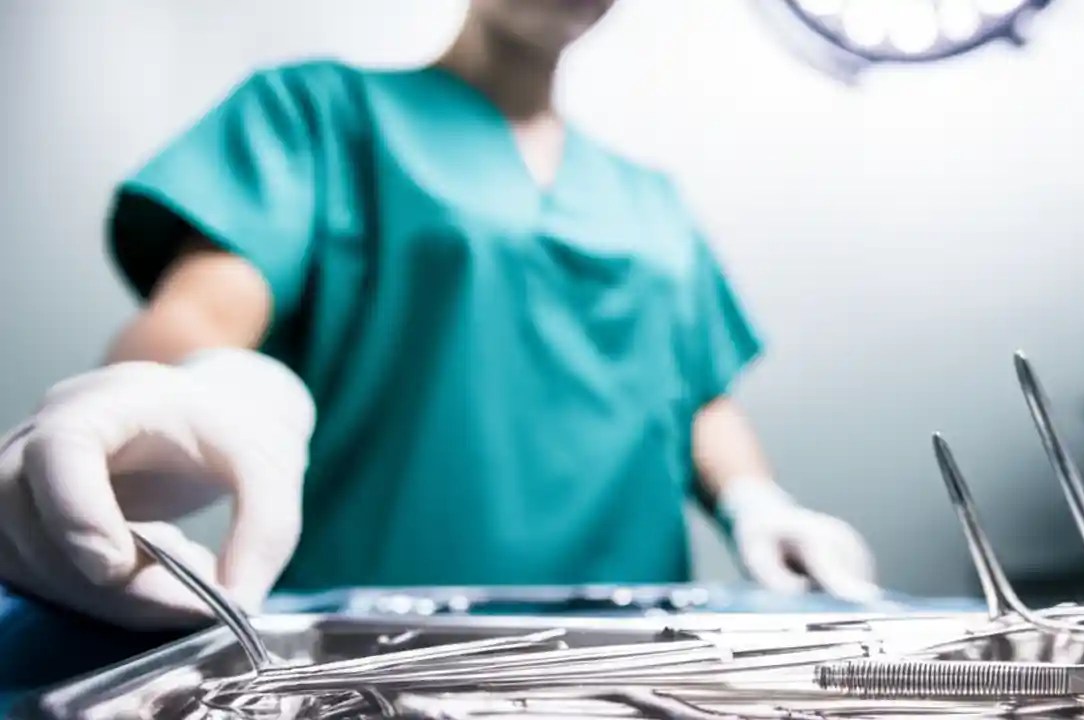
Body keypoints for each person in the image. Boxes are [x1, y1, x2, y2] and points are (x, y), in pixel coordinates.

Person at [0, 0, 878, 629]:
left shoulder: (652, 201)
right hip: (371, 642)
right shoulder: (319, 112)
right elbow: (202, 319)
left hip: (638, 647)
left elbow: (697, 397)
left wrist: (759, 505)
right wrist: (182, 396)